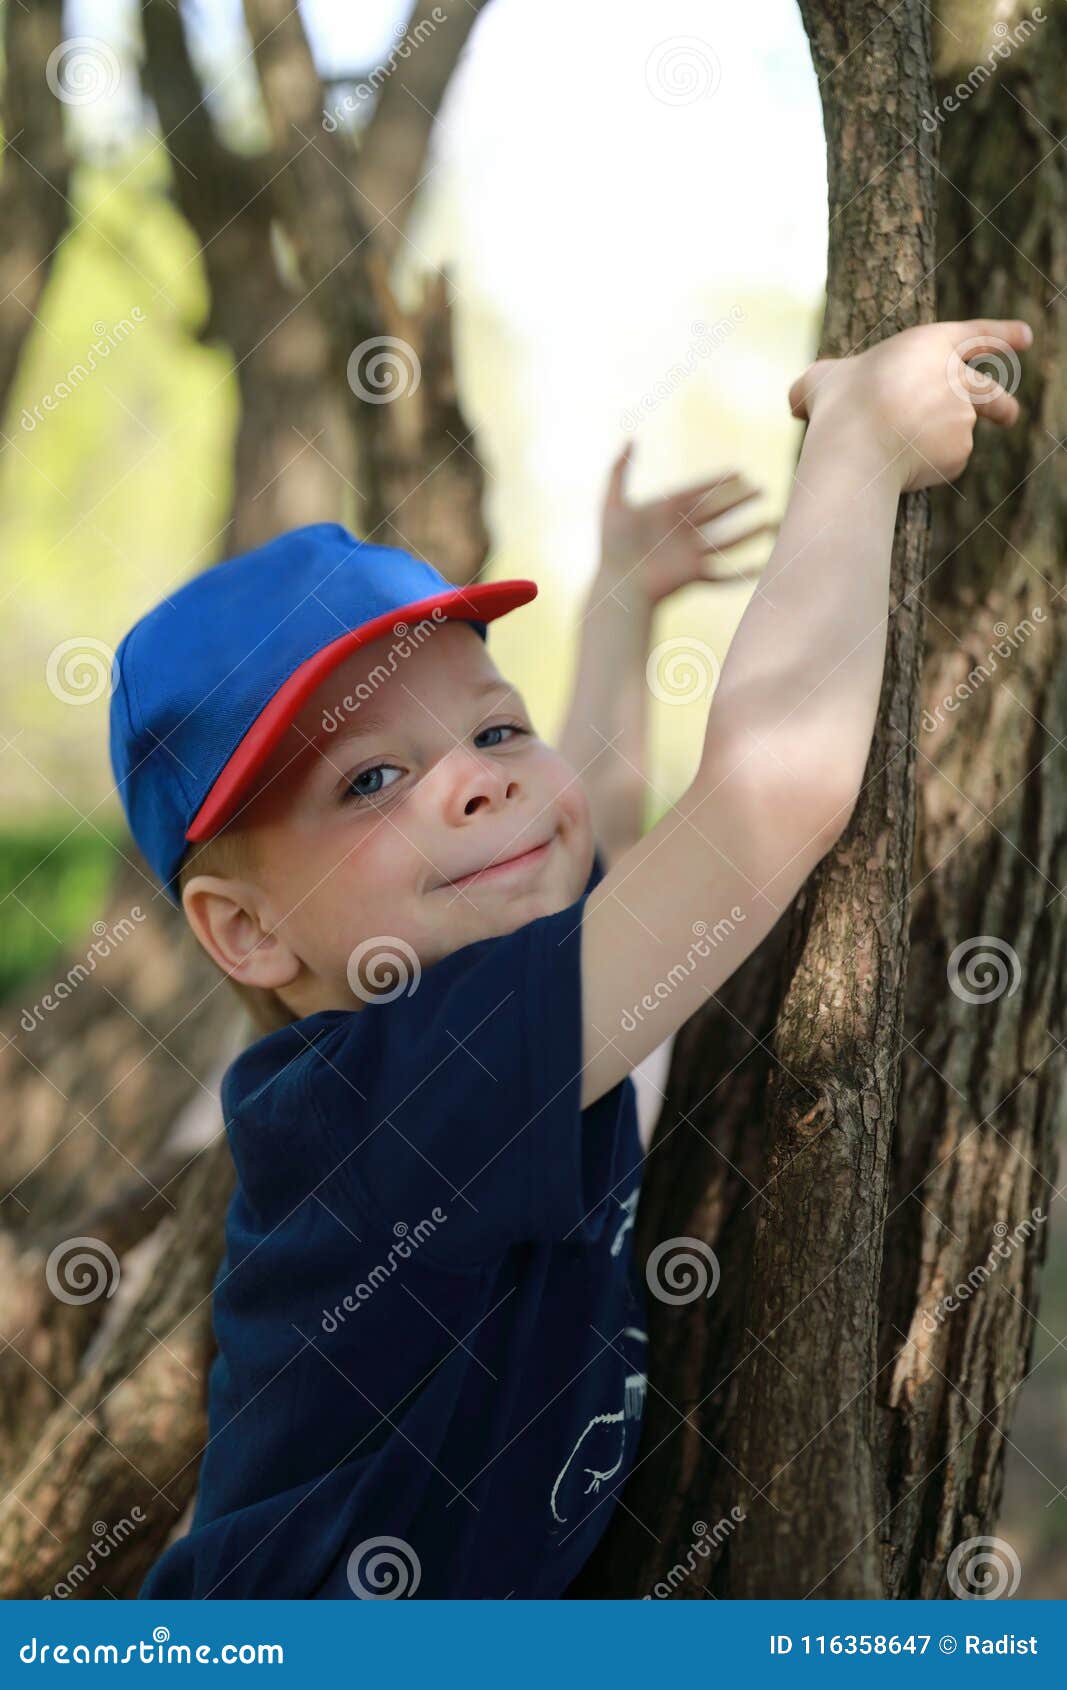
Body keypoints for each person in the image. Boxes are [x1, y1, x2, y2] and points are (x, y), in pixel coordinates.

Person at [109, 315, 1030, 1598]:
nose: (476, 789)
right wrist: (858, 452)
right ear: (250, 932)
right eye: (371, 778)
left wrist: (618, 604)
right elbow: (762, 805)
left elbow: (584, 806)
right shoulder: (402, 1092)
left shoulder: (474, 995)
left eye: (493, 731)